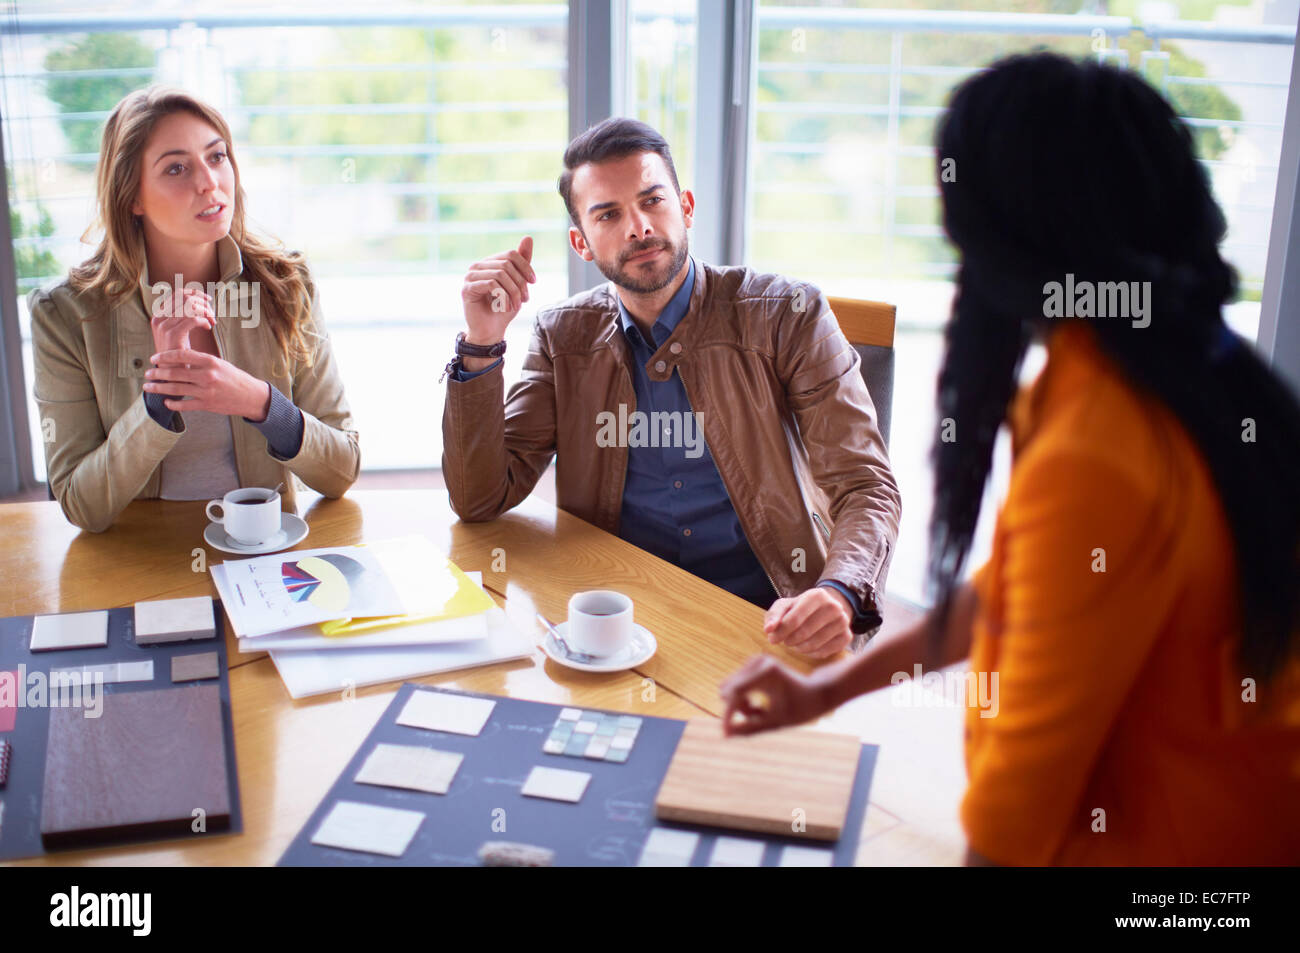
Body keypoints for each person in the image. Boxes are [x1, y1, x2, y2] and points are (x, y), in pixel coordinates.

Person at [718, 53, 1300, 864]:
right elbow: (1006, 594)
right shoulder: (1175, 370)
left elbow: (1011, 826)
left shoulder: (1100, 449)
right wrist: (823, 692)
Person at [442, 118, 900, 656]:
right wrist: (481, 342)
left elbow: (866, 486)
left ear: (684, 206)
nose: (638, 227)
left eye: (652, 201)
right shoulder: (562, 336)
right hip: (619, 612)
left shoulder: (787, 315)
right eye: (608, 214)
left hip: (770, 609)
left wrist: (839, 589)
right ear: (581, 243)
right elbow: (480, 499)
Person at [30, 87, 359, 532]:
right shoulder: (64, 314)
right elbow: (81, 506)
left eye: (217, 156)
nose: (209, 181)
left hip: (260, 556)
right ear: (133, 196)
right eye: (176, 168)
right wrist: (158, 399)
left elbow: (341, 471)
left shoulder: (287, 284)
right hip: (137, 560)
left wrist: (260, 403)